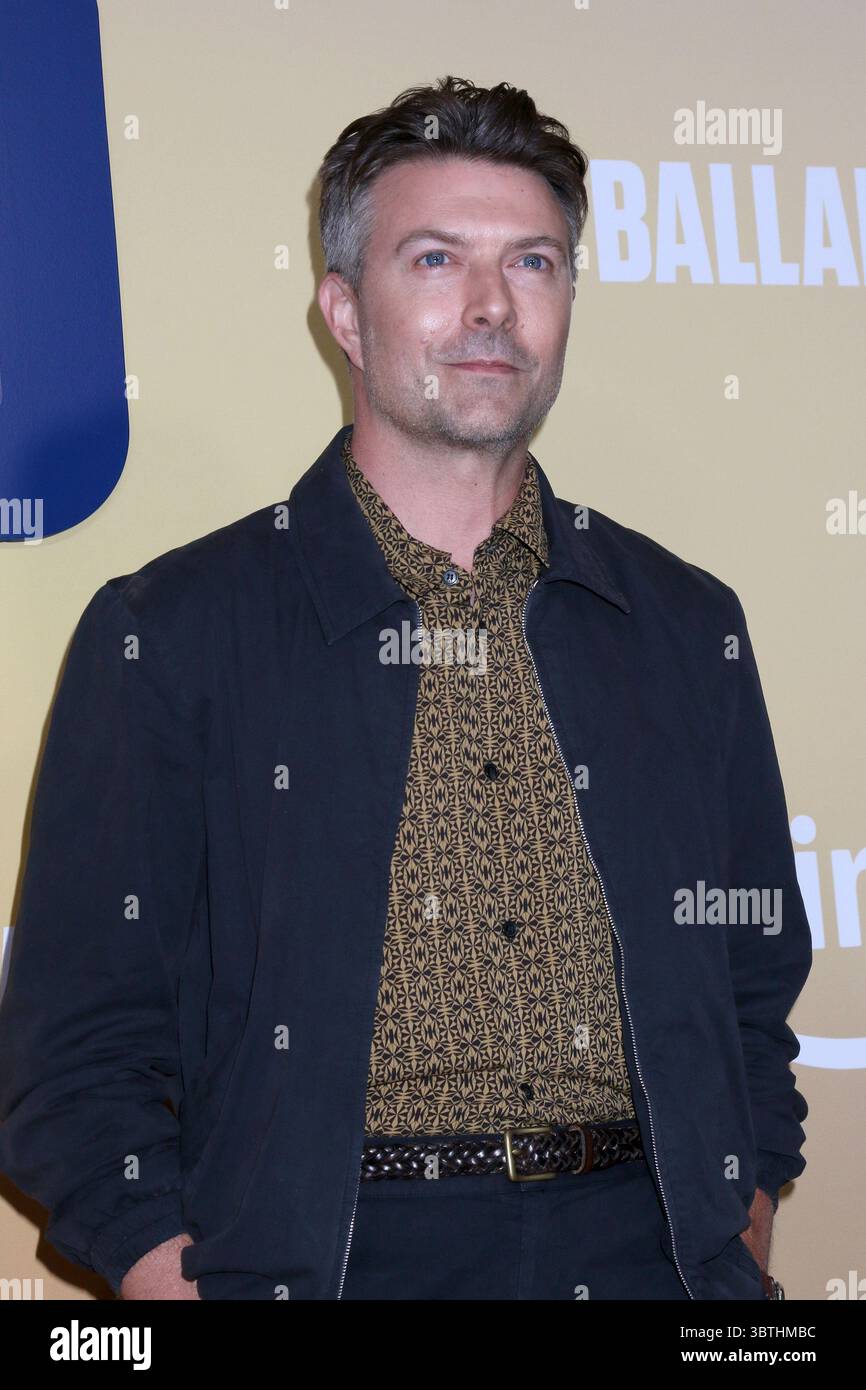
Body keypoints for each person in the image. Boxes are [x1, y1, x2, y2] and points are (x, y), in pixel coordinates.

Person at [0, 76, 811, 1301]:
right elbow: (74, 1042)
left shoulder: (683, 624)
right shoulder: (169, 634)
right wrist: (177, 1281)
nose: (490, 306)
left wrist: (732, 1228)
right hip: (334, 1262)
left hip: (656, 1258)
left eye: (531, 263)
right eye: (434, 259)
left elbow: (748, 974)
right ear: (342, 308)